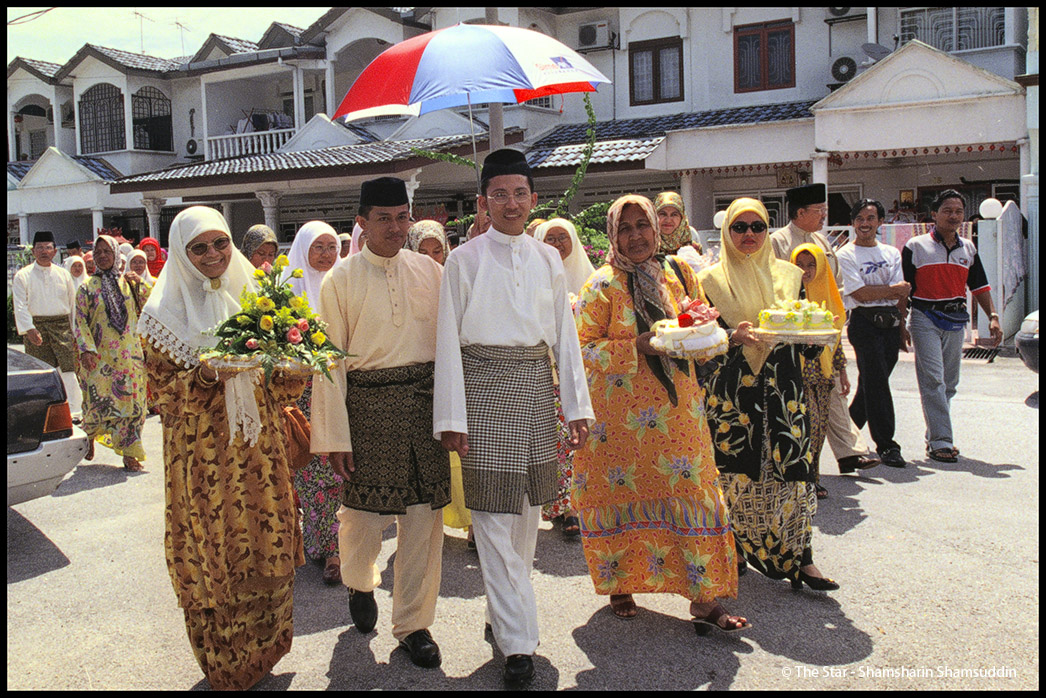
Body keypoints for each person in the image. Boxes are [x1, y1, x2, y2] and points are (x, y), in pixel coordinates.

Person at [434, 149, 594, 687]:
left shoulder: (549, 260)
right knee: (493, 522)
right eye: (498, 194)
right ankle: (520, 643)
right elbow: (447, 345)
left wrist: (576, 406)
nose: (510, 203)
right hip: (481, 395)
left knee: (526, 518)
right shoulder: (464, 260)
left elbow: (565, 339)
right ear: (483, 201)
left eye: (519, 193)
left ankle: (500, 621)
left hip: (532, 391)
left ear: (532, 200)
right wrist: (451, 416)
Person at [138, 206, 307, 690]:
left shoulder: (255, 296)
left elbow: (281, 385)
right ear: (181, 252)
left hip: (259, 450)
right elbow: (160, 393)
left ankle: (267, 650)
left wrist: (296, 368)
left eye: (220, 244)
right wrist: (207, 374)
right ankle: (225, 665)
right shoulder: (160, 314)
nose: (213, 255)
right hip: (200, 456)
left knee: (265, 537)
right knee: (215, 547)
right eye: (200, 247)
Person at [572, 194, 748, 631]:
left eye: (642, 225)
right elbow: (583, 349)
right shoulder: (602, 285)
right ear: (614, 235)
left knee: (694, 495)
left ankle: (704, 598)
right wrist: (637, 344)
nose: (636, 236)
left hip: (678, 411)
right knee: (620, 496)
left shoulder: (679, 271)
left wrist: (725, 334)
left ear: (657, 227)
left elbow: (695, 324)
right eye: (625, 228)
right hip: (618, 421)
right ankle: (620, 583)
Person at [311, 177, 450, 668]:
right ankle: (358, 579)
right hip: (366, 412)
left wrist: (452, 416)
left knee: (422, 521)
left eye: (401, 216)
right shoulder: (340, 280)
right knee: (362, 518)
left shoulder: (432, 272)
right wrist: (333, 436)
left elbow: (449, 353)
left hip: (423, 409)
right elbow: (327, 363)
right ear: (363, 222)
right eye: (383, 218)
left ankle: (413, 625)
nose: (395, 227)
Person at [700, 198, 839, 592]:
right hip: (732, 391)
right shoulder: (709, 280)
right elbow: (701, 336)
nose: (748, 235)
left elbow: (805, 328)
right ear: (727, 232)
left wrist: (814, 340)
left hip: (784, 389)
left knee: (793, 472)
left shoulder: (792, 274)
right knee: (733, 471)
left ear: (767, 231)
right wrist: (732, 336)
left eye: (757, 227)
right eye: (739, 228)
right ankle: (736, 547)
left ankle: (803, 559)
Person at [770, 183, 880, 474]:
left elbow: (836, 282)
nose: (823, 216)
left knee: (830, 386)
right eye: (819, 211)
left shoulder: (823, 240)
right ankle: (825, 462)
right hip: (797, 330)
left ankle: (848, 452)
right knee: (810, 398)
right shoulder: (778, 242)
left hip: (827, 325)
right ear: (801, 212)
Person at [902, 189, 1002, 463]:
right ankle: (941, 442)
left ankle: (934, 433)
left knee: (950, 383)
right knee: (933, 380)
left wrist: (992, 315)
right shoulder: (916, 246)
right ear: (934, 215)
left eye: (958, 211)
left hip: (956, 319)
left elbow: (979, 286)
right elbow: (905, 289)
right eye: (947, 211)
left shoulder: (968, 248)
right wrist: (902, 323)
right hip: (924, 318)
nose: (954, 216)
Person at [407, 219, 472, 544]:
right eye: (423, 251)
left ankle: (473, 522)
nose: (432, 258)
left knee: (463, 450)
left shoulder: (456, 279)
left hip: (456, 375)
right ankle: (430, 525)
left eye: (437, 250)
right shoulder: (403, 283)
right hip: (419, 383)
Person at [286, 221, 344, 585]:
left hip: (341, 393)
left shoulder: (345, 284)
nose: (326, 254)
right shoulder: (285, 295)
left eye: (331, 246)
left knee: (341, 469)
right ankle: (327, 545)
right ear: (303, 249)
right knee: (313, 471)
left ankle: (338, 543)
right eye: (318, 247)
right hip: (303, 397)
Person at [534, 217, 597, 538]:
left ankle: (583, 504)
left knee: (586, 441)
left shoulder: (592, 281)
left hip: (589, 374)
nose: (557, 245)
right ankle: (562, 507)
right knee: (558, 442)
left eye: (563, 237)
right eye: (550, 238)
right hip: (546, 373)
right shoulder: (533, 279)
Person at [837, 199, 910, 468]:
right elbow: (860, 293)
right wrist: (894, 290)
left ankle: (847, 443)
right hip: (864, 324)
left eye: (870, 218)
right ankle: (887, 445)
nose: (864, 223)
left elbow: (902, 294)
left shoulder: (891, 252)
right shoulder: (846, 254)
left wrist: (902, 326)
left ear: (880, 221)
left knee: (871, 386)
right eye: (859, 218)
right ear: (853, 222)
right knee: (877, 384)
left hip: (890, 324)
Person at [73, 235, 148, 471]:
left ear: (117, 255)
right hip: (100, 358)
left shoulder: (130, 284)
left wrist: (142, 283)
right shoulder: (87, 287)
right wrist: (86, 349)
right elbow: (80, 321)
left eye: (108, 251)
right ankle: (90, 438)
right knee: (97, 403)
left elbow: (153, 305)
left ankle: (129, 453)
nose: (103, 256)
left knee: (133, 406)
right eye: (99, 252)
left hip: (130, 357)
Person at [791, 243, 849, 499]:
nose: (804, 270)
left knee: (819, 427)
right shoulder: (788, 295)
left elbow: (834, 339)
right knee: (807, 425)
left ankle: (814, 477)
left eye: (810, 264)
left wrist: (842, 371)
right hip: (797, 373)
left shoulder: (827, 296)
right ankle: (804, 479)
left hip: (822, 374)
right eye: (799, 265)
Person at [12, 231, 82, 420]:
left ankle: (74, 411)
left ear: (55, 251)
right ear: (33, 251)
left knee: (68, 369)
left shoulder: (64, 275)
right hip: (37, 328)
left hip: (62, 328)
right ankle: (41, 411)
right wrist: (29, 329)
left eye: (48, 247)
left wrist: (75, 333)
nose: (44, 251)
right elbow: (19, 305)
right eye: (40, 248)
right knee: (40, 371)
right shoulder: (22, 275)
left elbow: (72, 304)